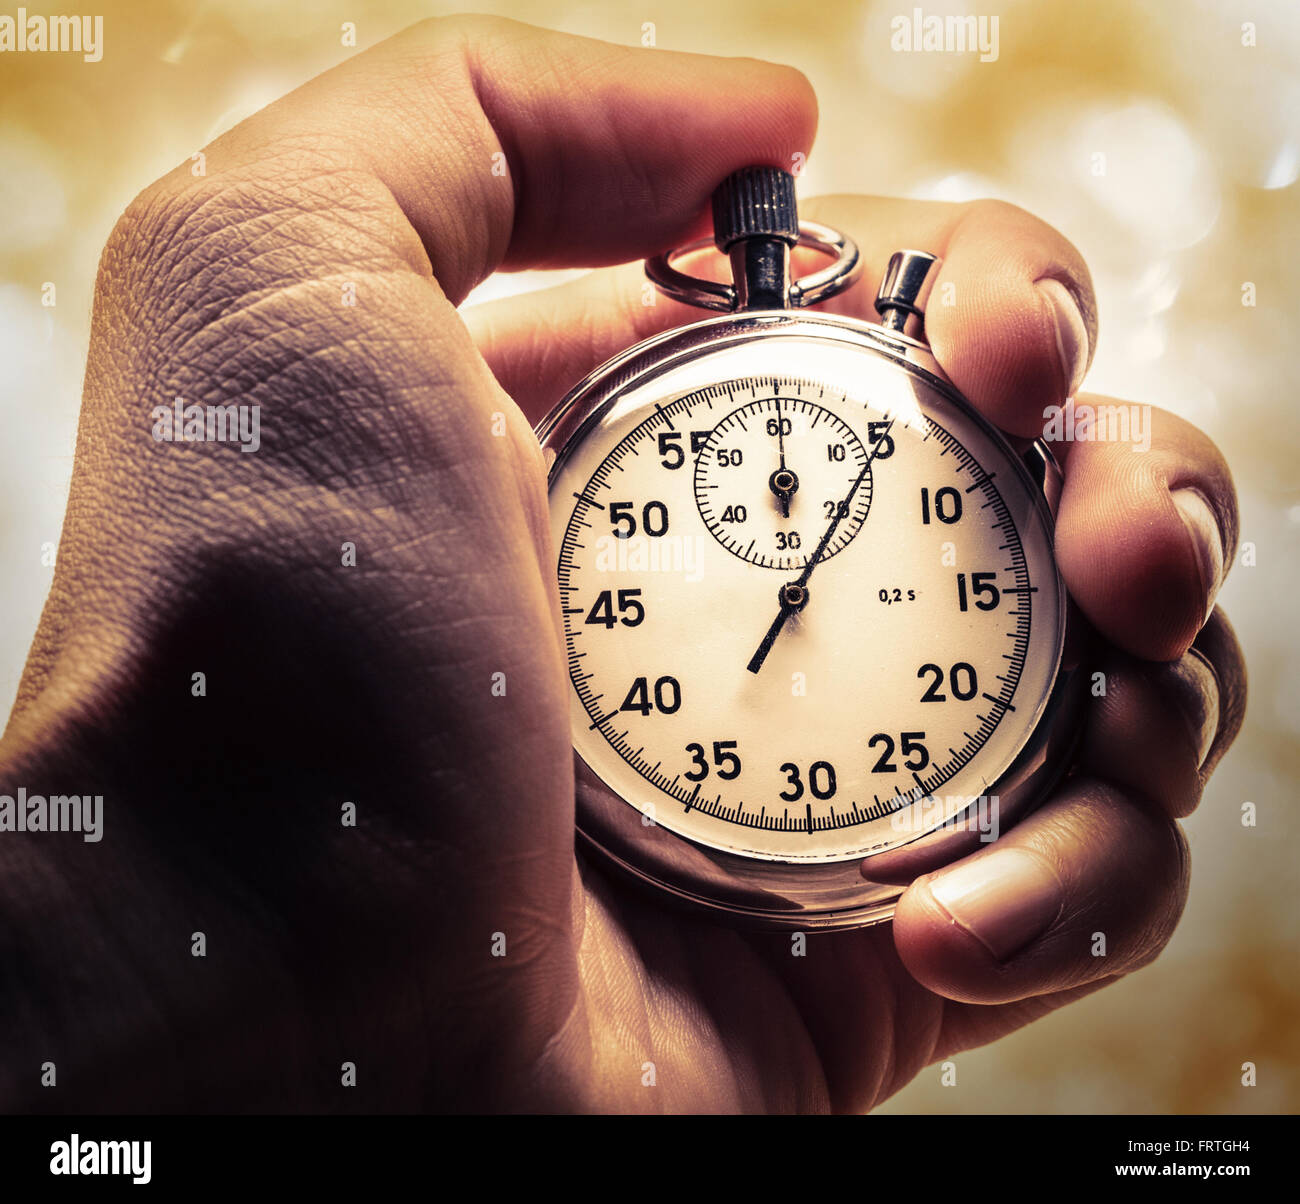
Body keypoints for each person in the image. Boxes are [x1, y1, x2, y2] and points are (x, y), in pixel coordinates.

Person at [0, 17, 1244, 1112]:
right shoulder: (526, 470)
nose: (788, 592)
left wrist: (118, 979)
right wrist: (147, 892)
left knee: (1123, 618)